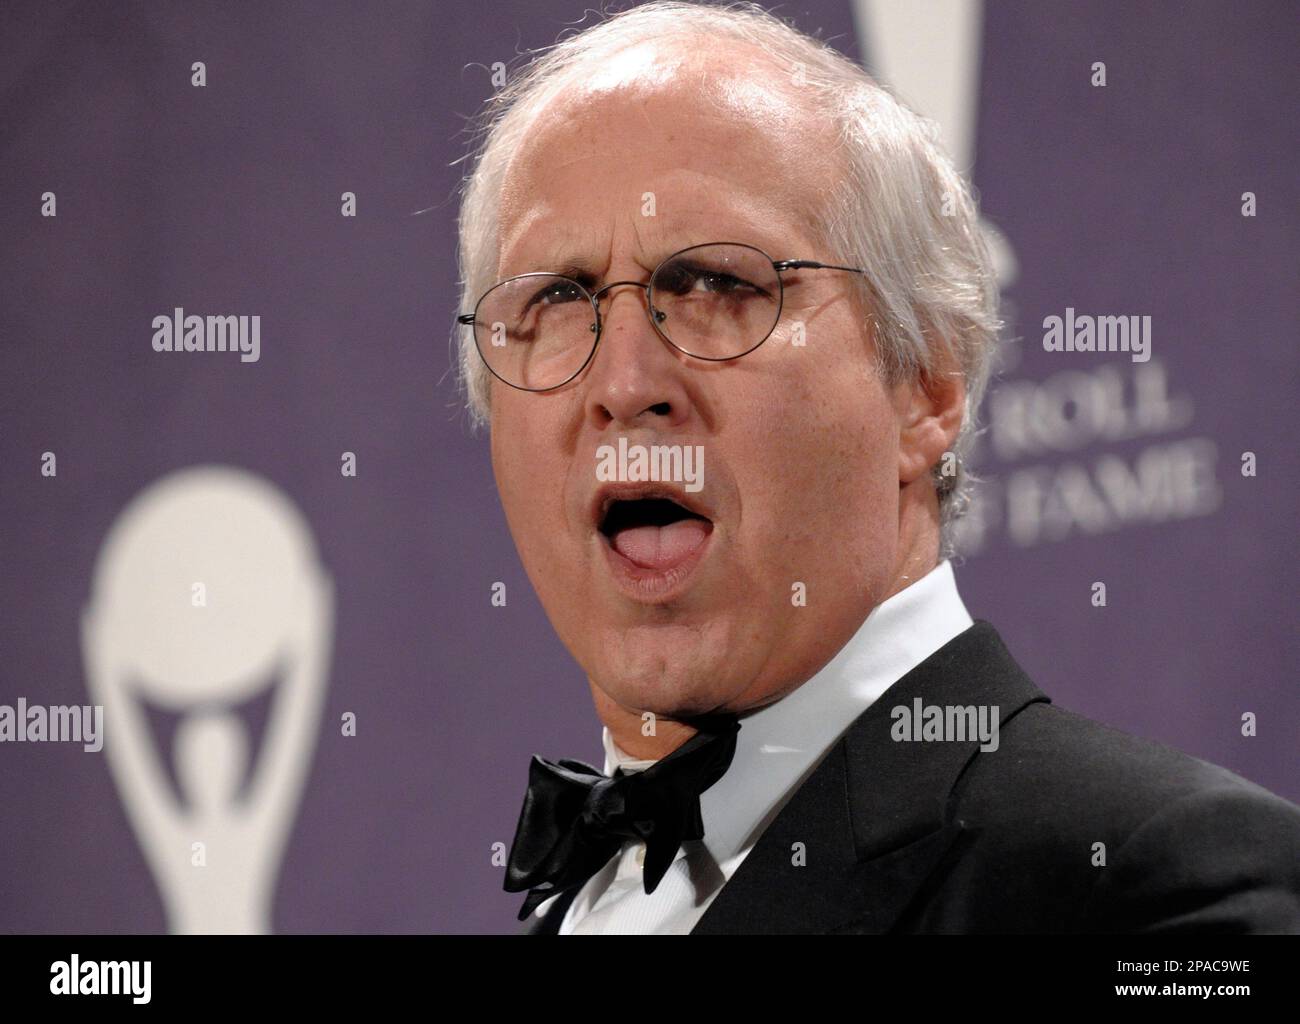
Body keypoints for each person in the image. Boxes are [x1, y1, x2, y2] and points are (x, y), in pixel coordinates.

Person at [451, 1, 1300, 934]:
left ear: (925, 388)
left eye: (716, 286)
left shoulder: (1160, 892)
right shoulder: (569, 903)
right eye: (560, 299)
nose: (621, 382)